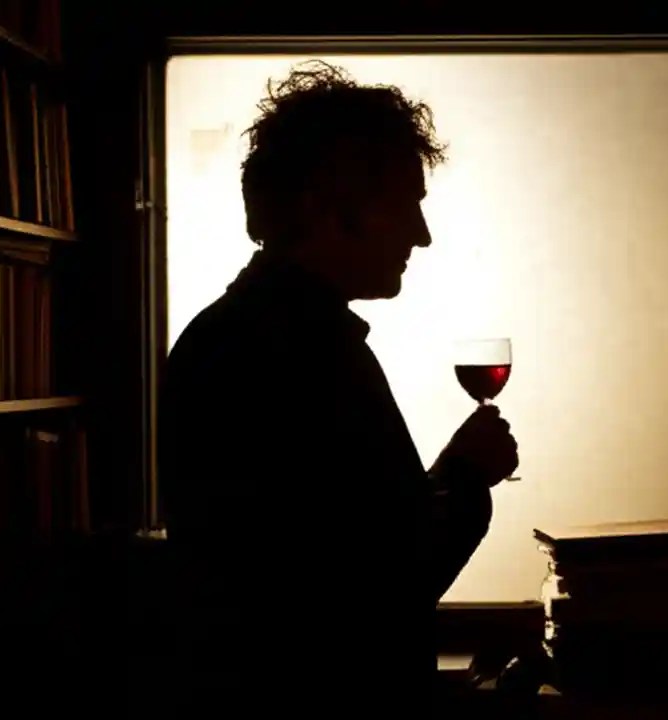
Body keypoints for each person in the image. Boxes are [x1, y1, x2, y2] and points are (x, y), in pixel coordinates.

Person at [157, 61, 519, 713]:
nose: (422, 234)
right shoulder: (295, 351)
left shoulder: (236, 335)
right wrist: (466, 479)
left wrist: (446, 479)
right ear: (330, 204)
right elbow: (375, 586)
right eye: (406, 203)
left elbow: (348, 538)